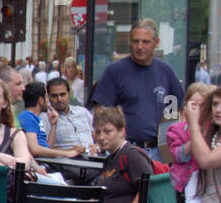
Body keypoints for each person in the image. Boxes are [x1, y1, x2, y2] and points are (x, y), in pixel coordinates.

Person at [91, 19, 184, 149]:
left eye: (146, 42)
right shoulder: (115, 71)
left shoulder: (166, 72)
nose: (140, 46)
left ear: (156, 43)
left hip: (160, 151)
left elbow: (177, 111)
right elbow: (100, 113)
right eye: (135, 41)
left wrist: (172, 145)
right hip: (126, 149)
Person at [168, 83, 212, 203]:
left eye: (202, 105)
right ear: (186, 106)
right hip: (190, 174)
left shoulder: (213, 126)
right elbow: (177, 156)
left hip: (210, 173)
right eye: (194, 104)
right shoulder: (177, 129)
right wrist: (194, 134)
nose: (198, 109)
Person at [19, 82, 83, 161]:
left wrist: (53, 125)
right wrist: (66, 153)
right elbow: (34, 149)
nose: (48, 102)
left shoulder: (36, 118)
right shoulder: (27, 117)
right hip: (40, 163)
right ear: (41, 100)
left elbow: (47, 148)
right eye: (46, 97)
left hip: (46, 160)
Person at [47, 77, 95, 154]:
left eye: (62, 95)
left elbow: (98, 135)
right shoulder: (46, 118)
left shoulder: (82, 112)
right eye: (54, 96)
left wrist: (97, 146)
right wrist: (70, 151)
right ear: (48, 97)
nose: (59, 99)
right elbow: (45, 150)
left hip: (92, 159)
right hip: (66, 162)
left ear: (69, 94)